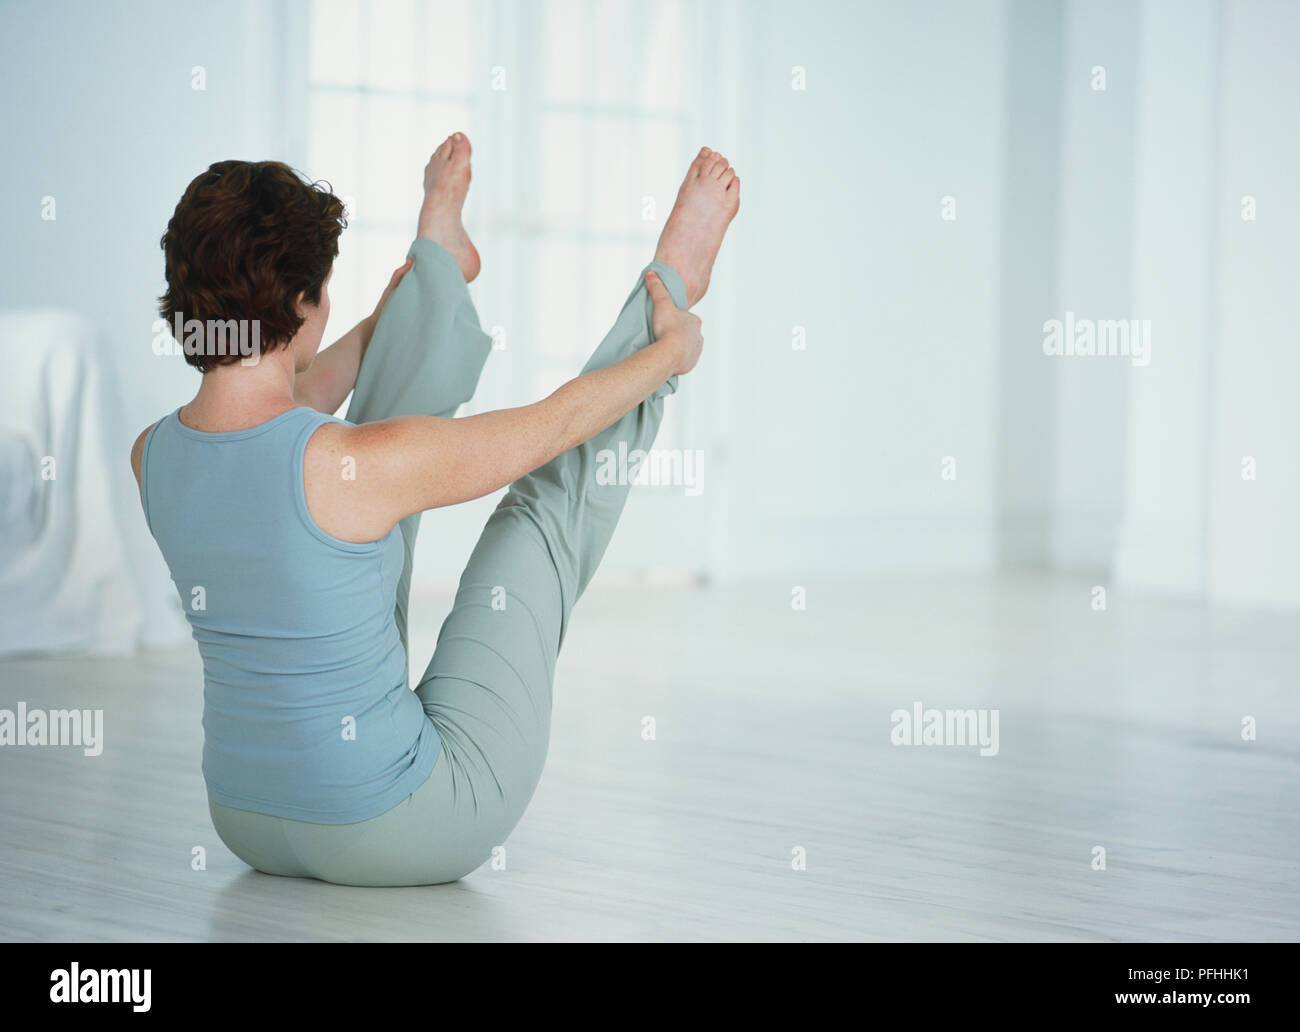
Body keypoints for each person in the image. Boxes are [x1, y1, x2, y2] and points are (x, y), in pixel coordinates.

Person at [131, 133, 739, 886]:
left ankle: (441, 264)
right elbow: (554, 425)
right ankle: (670, 283)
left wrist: (403, 303)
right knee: (540, 509)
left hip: (245, 819)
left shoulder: (152, 455)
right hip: (402, 827)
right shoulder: (349, 465)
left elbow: (275, 407)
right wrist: (668, 354)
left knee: (350, 492)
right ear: (301, 301)